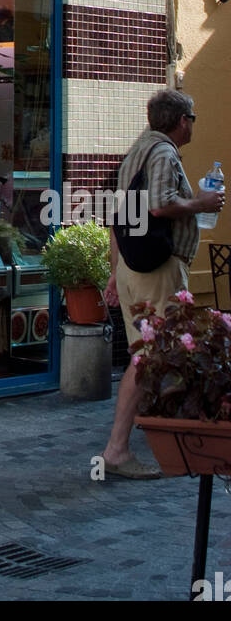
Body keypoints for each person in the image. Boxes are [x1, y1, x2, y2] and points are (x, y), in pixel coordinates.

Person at [101, 88, 225, 478]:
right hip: (157, 269)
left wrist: (113, 271)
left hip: (131, 269)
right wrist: (202, 204)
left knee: (146, 356)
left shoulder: (137, 149)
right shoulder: (164, 153)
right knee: (157, 356)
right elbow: (158, 204)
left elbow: (120, 215)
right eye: (193, 119)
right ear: (182, 120)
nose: (193, 126)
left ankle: (129, 445)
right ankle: (125, 448)